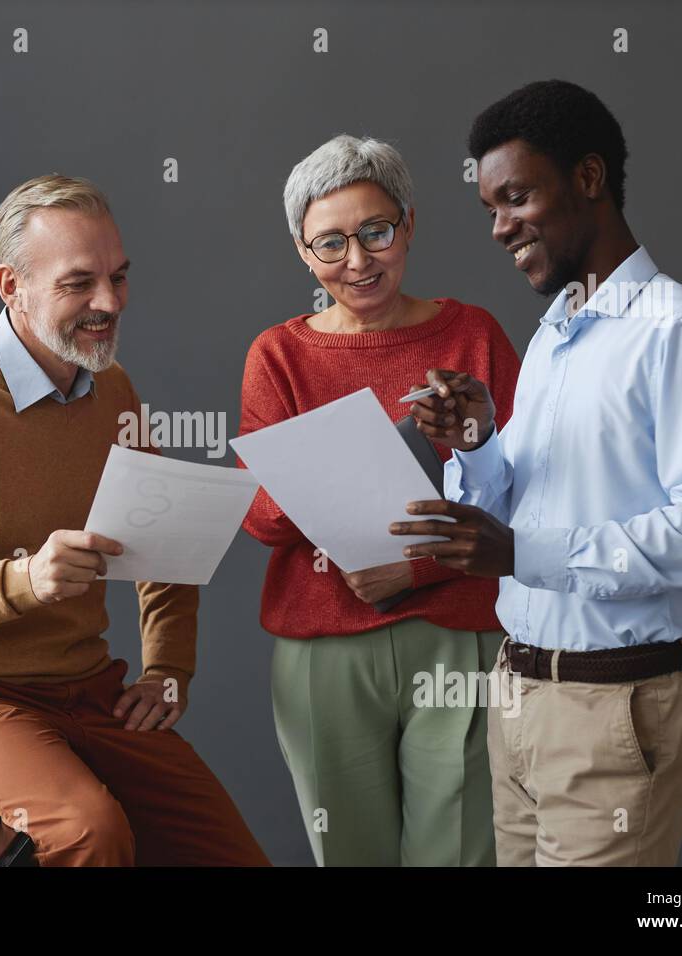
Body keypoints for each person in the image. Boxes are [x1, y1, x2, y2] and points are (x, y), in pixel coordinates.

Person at [0, 174, 268, 866]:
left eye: (118, 277)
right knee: (88, 830)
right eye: (80, 284)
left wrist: (169, 667)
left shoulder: (113, 388)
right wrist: (25, 580)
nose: (109, 303)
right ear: (12, 286)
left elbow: (162, 539)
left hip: (86, 687)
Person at [393, 80, 682, 866]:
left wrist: (521, 555)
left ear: (588, 179)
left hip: (618, 708)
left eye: (516, 197)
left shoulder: (680, 331)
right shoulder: (555, 334)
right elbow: (525, 500)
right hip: (519, 696)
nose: (499, 227)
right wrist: (479, 443)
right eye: (490, 207)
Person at [236, 135, 520, 866]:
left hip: (460, 629)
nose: (357, 261)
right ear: (303, 251)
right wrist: (347, 465)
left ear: (409, 225)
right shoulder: (278, 354)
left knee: (457, 853)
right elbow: (262, 517)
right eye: (330, 243)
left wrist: (414, 569)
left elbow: (528, 494)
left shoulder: (473, 334)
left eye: (375, 232)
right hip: (323, 650)